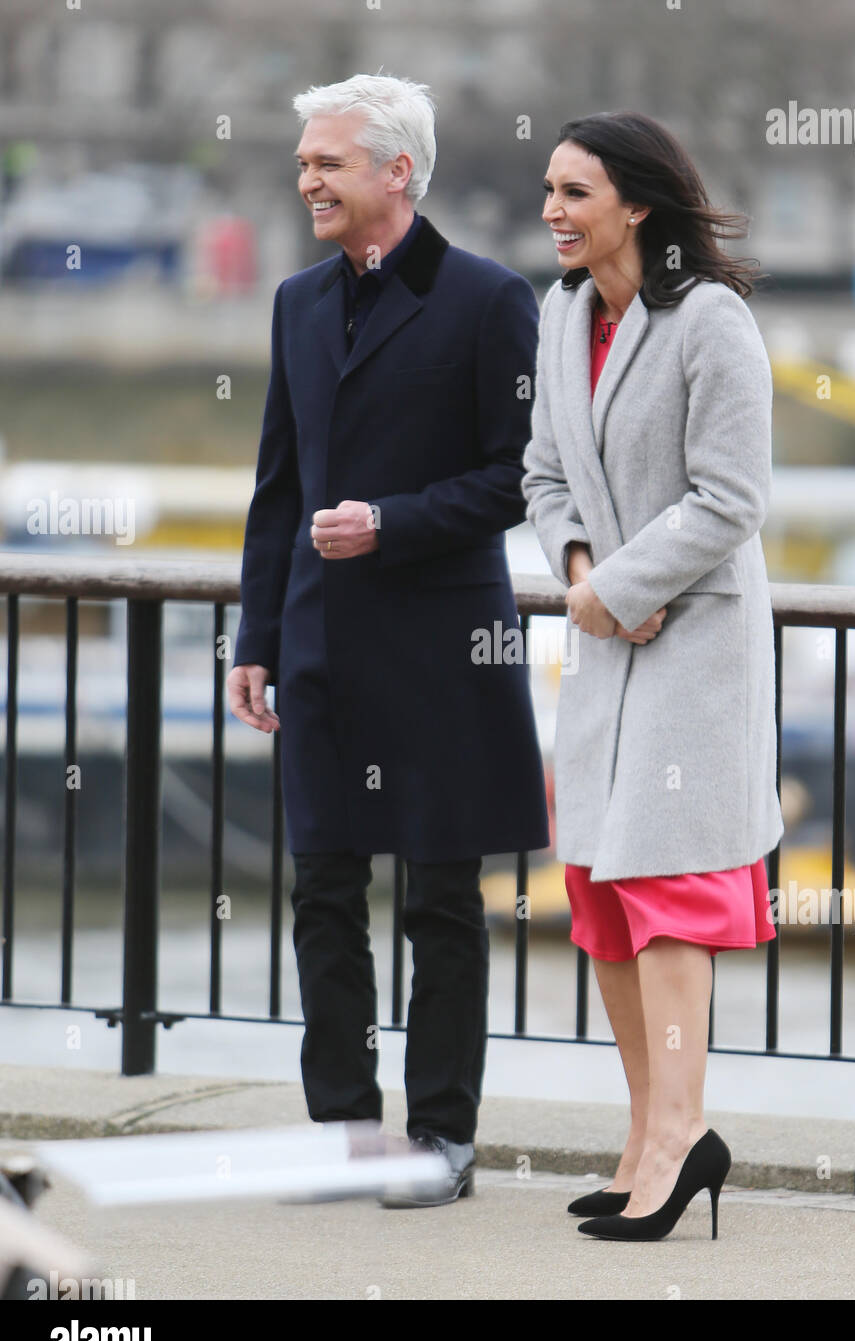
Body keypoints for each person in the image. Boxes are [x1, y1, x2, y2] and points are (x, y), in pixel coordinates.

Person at [227, 73, 549, 1206]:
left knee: (440, 897)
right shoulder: (296, 302)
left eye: (327, 163)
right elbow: (278, 487)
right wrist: (255, 635)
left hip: (443, 646)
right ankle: (343, 1132)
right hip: (318, 649)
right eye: (304, 161)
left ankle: (442, 1138)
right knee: (322, 889)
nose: (306, 178)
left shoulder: (491, 298)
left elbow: (521, 476)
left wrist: (393, 523)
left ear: (396, 172)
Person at [522, 111, 784, 1241]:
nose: (552, 212)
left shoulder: (710, 321)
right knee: (604, 893)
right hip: (604, 641)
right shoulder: (561, 312)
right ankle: (646, 1137)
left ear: (637, 204)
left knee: (672, 894)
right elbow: (542, 476)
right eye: (548, 189)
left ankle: (680, 1142)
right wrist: (583, 568)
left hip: (694, 650)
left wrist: (622, 587)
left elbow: (732, 498)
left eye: (574, 192)